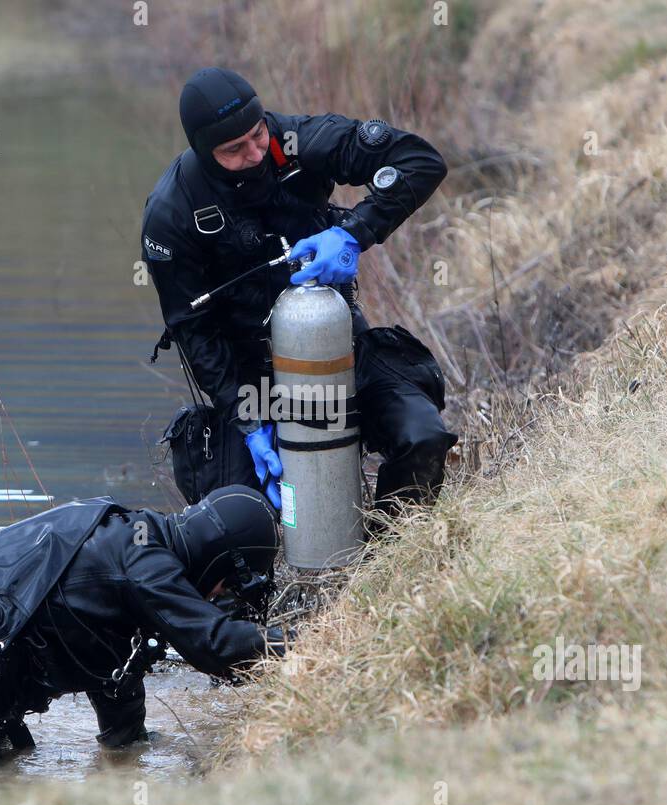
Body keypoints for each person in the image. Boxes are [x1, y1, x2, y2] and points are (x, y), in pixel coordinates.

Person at [143, 67, 458, 518]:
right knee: (237, 520)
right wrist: (248, 420)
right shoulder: (173, 212)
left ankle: (384, 560)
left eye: (257, 135)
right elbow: (194, 331)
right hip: (252, 380)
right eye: (234, 149)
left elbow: (421, 161)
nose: (255, 154)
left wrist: (354, 233)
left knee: (423, 438)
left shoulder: (298, 142)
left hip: (337, 349)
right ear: (203, 150)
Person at [0, 485, 285, 762]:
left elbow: (115, 670)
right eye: (224, 588)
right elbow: (215, 643)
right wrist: (302, 647)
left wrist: (127, 747)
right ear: (220, 561)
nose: (217, 598)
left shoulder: (128, 533)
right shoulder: (147, 564)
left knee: (10, 778)